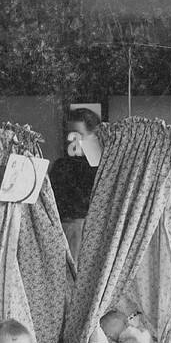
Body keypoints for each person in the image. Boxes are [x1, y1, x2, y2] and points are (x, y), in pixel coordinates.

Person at [50, 108, 102, 265]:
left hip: (87, 233)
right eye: (69, 134)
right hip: (63, 232)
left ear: (94, 136)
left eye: (78, 134)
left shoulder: (103, 168)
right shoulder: (61, 166)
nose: (72, 140)